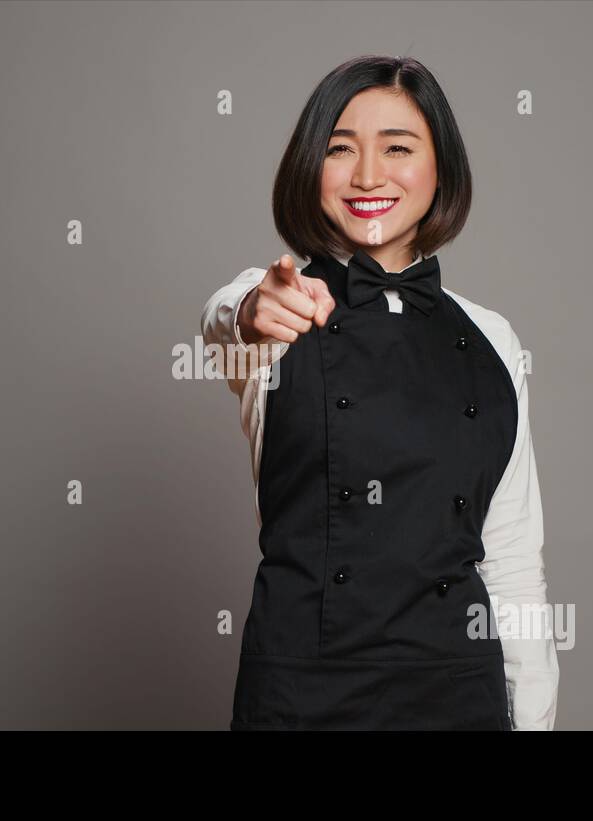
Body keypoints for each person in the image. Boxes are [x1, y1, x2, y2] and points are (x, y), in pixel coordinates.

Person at [199, 55, 559, 730]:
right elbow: (224, 322)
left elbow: (512, 562)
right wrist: (251, 306)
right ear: (309, 167)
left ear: (440, 168)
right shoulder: (278, 311)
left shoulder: (493, 337)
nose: (368, 175)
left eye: (397, 147)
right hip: (301, 699)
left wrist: (533, 720)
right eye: (340, 149)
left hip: (460, 694)